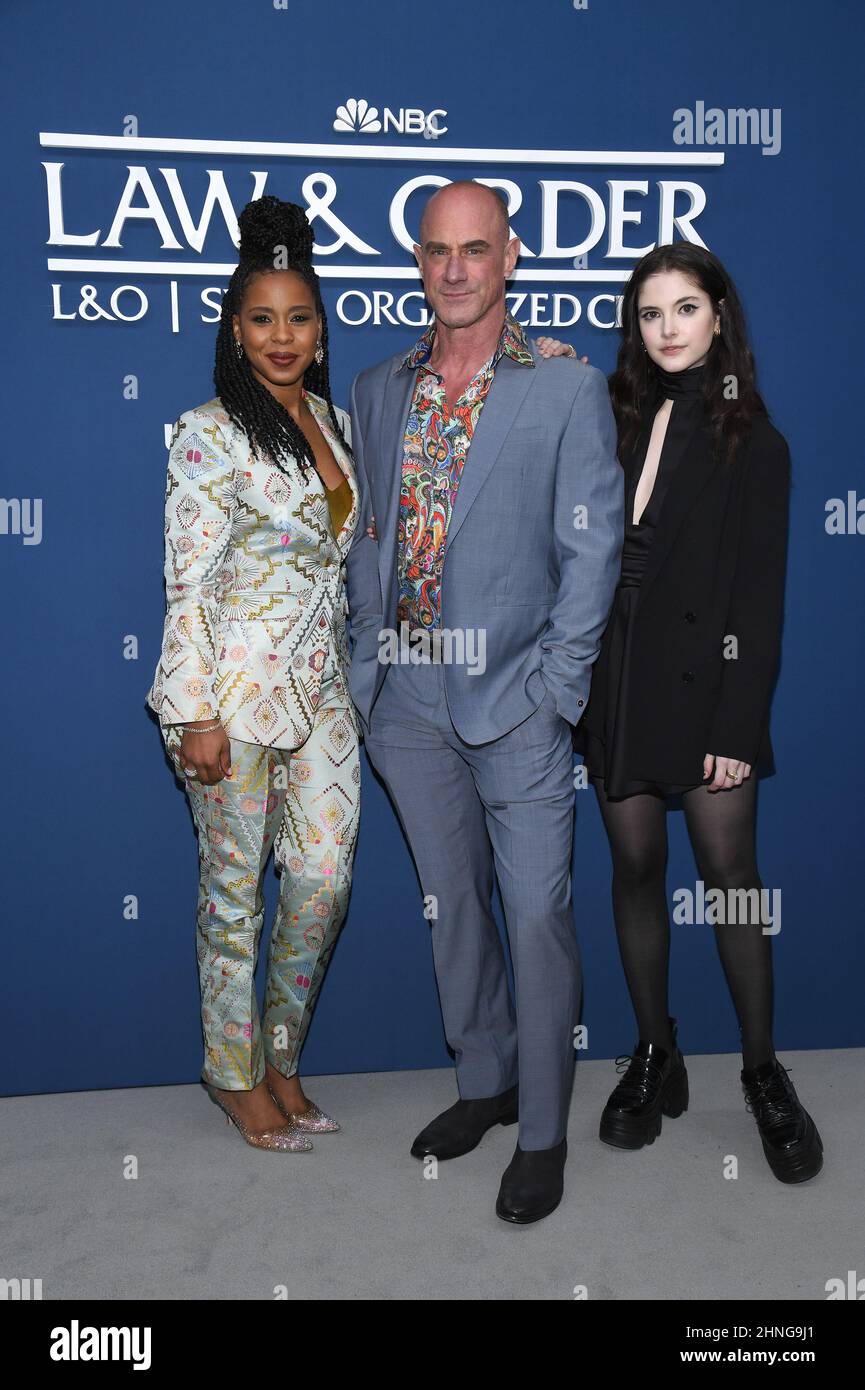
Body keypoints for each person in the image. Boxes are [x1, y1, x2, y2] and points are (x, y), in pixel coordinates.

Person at [344, 181, 623, 1223]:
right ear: (417, 264)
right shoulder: (379, 386)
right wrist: (368, 661)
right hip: (406, 697)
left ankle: (543, 1129)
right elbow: (367, 532)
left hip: (516, 700)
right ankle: (485, 1081)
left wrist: (557, 691)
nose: (454, 269)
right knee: (449, 904)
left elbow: (591, 552)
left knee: (538, 912)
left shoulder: (562, 388)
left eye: (475, 249)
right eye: (434, 251)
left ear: (510, 257)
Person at [547, 242, 822, 1183]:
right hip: (616, 678)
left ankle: (760, 1071)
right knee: (632, 868)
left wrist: (736, 732)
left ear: (719, 317)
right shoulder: (607, 416)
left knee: (729, 875)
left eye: (684, 309)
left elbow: (760, 600)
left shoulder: (757, 440)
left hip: (708, 690)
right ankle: (654, 1053)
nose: (665, 329)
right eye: (649, 313)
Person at [146, 196, 361, 1152]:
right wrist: (195, 713)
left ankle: (280, 1056)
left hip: (322, 697)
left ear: (320, 333)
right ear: (237, 330)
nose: (281, 335)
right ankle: (232, 1076)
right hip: (225, 702)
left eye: (299, 317)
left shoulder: (335, 417)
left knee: (319, 886)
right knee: (233, 898)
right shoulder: (207, 432)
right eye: (262, 318)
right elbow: (185, 584)